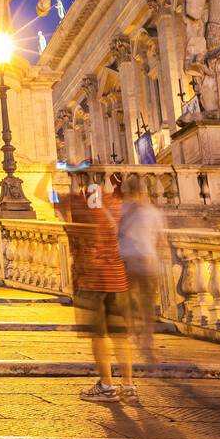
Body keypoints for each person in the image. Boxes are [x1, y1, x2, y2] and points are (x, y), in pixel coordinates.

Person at [62, 171, 135, 403]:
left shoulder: (79, 207)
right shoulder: (117, 205)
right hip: (117, 277)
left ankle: (106, 385)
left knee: (99, 336)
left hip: (91, 279)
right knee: (121, 336)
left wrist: (49, 172)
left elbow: (45, 194)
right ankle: (129, 385)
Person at [118, 177, 166, 361]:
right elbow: (161, 240)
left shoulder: (122, 210)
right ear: (143, 191)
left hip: (126, 261)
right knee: (147, 306)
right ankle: (147, 342)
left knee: (128, 301)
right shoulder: (152, 212)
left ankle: (133, 333)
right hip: (146, 260)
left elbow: (113, 233)